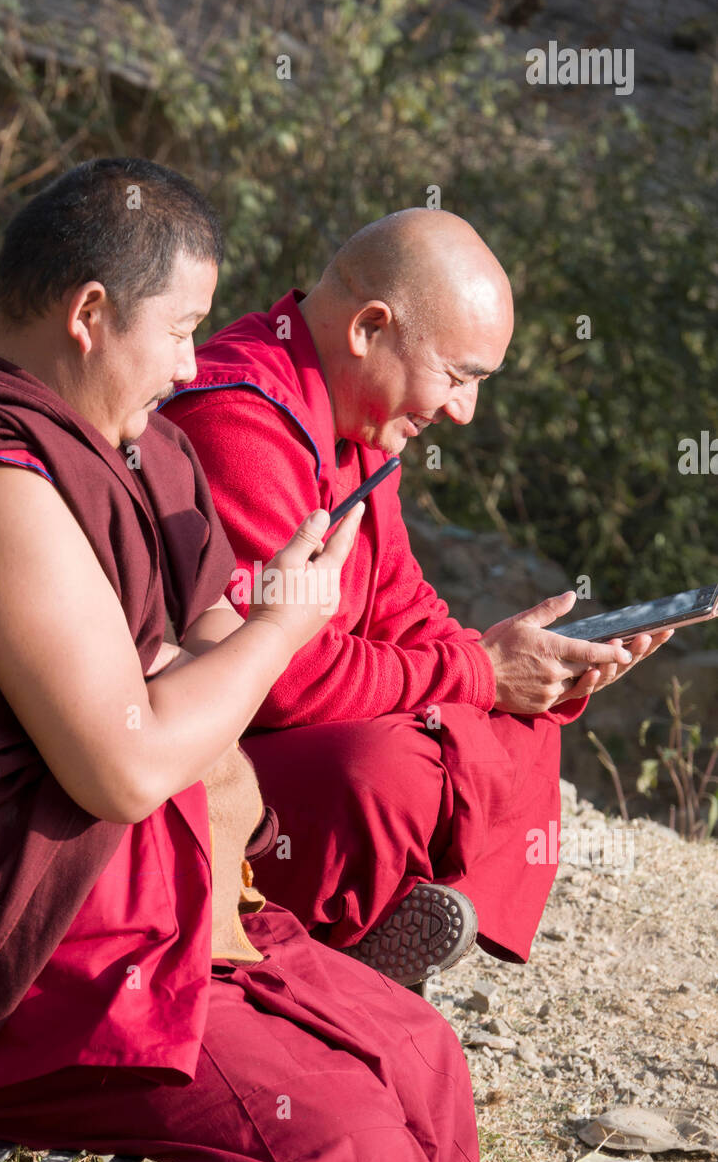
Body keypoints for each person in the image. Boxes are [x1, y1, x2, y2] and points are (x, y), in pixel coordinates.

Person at [0, 163, 485, 1162]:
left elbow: (207, 642)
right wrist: (282, 628)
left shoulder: (114, 437)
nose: (196, 363)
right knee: (339, 1145)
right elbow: (130, 765)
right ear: (89, 315)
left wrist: (215, 656)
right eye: (183, 328)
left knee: (422, 1056)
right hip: (6, 959)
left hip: (141, 899)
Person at [163, 209, 673, 985]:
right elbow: (277, 676)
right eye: (458, 377)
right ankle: (335, 932)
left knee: (520, 724)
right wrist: (480, 671)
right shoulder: (239, 419)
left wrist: (542, 668)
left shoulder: (358, 421)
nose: (464, 411)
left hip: (296, 724)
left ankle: (396, 910)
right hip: (213, 758)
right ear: (369, 327)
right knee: (387, 767)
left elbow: (400, 606)